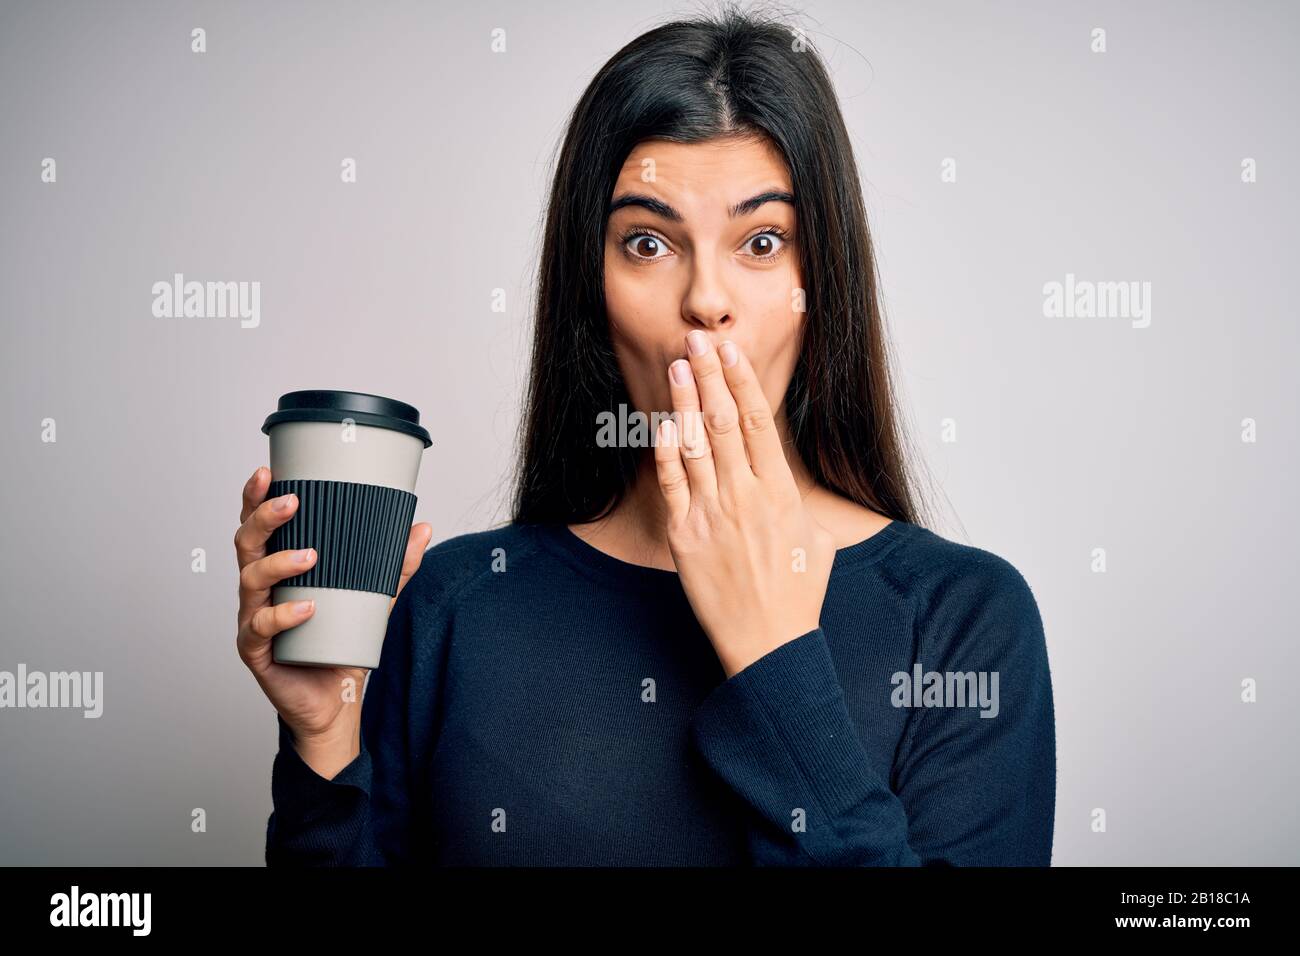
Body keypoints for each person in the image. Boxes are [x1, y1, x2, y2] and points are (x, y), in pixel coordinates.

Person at [236, 6, 1056, 866]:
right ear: (592, 287)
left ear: (822, 285)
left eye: (763, 240)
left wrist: (776, 654)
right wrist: (326, 737)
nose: (707, 298)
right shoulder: (453, 603)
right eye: (649, 242)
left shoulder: (963, 620)